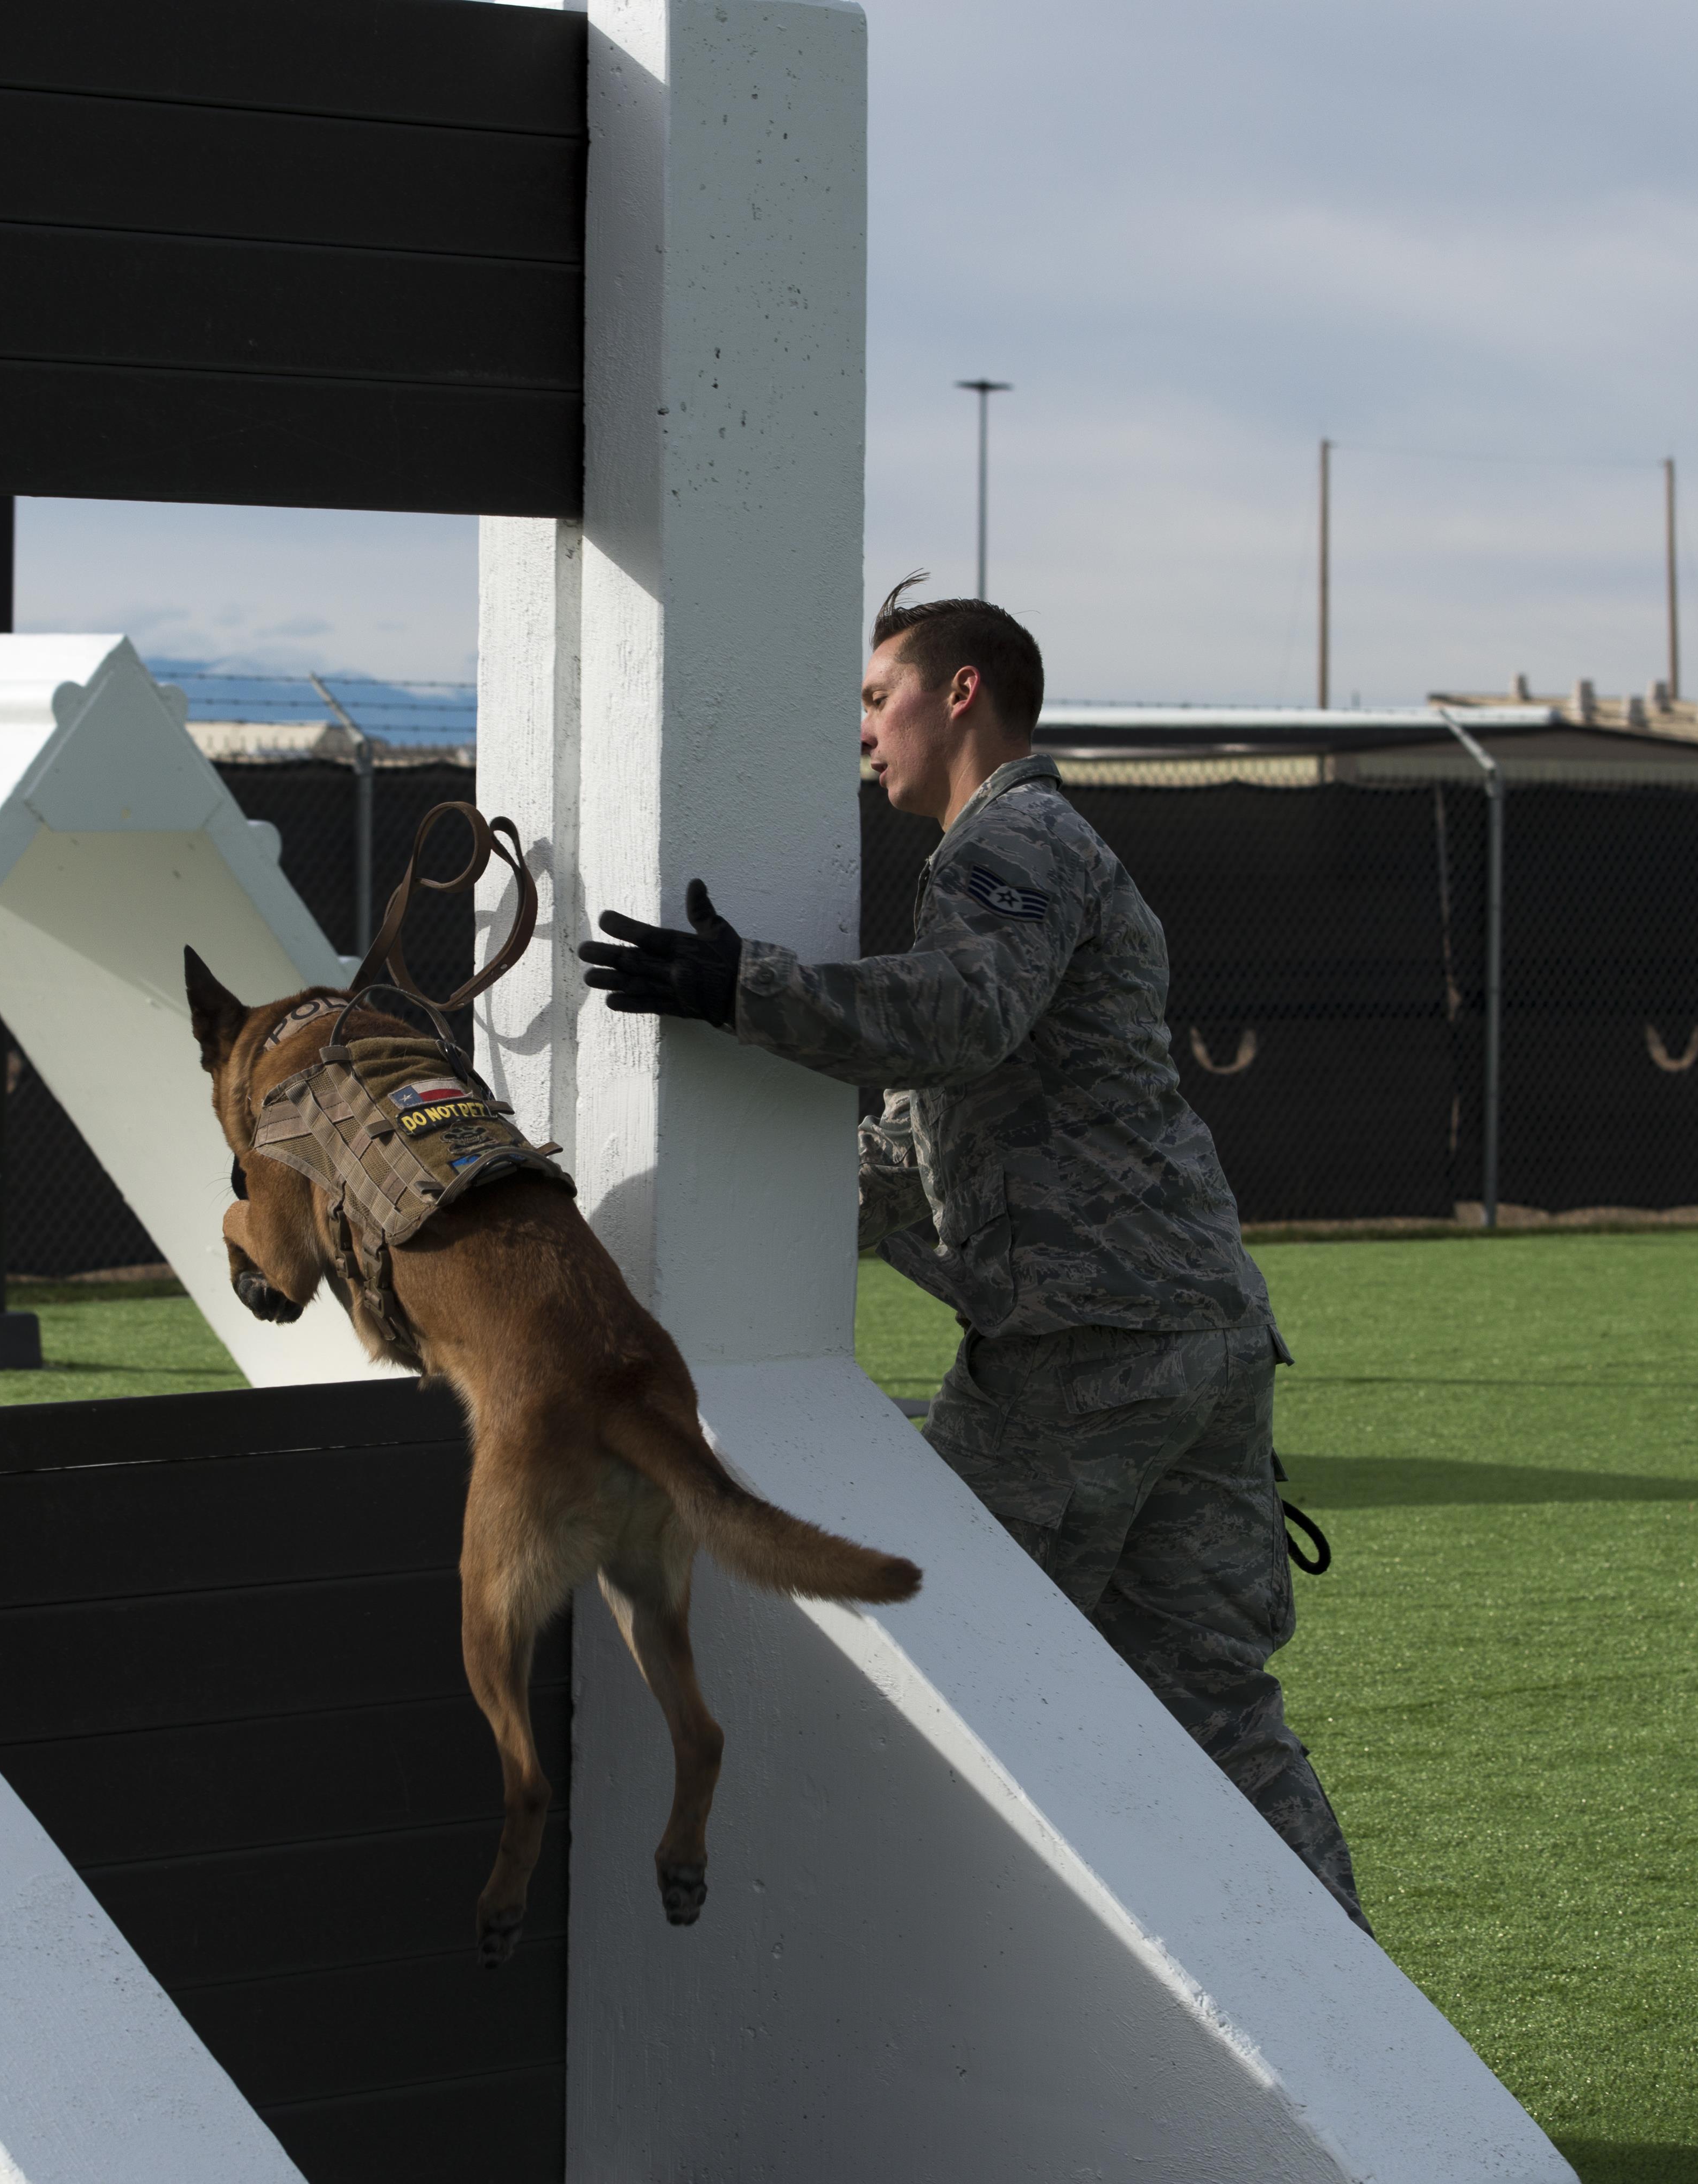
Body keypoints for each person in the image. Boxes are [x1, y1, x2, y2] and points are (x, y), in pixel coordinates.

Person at [573, 577, 1370, 1933]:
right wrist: (682, 1246)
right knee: (1214, 1712)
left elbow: (959, 1014)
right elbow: (918, 1145)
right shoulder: (1030, 856)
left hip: (1084, 1359)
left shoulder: (1012, 840)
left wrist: (735, 985)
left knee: (939, 1657)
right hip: (1190, 1337)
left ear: (959, 695)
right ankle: (1355, 2016)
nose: (861, 731)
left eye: (876, 697)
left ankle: (944, 1990)